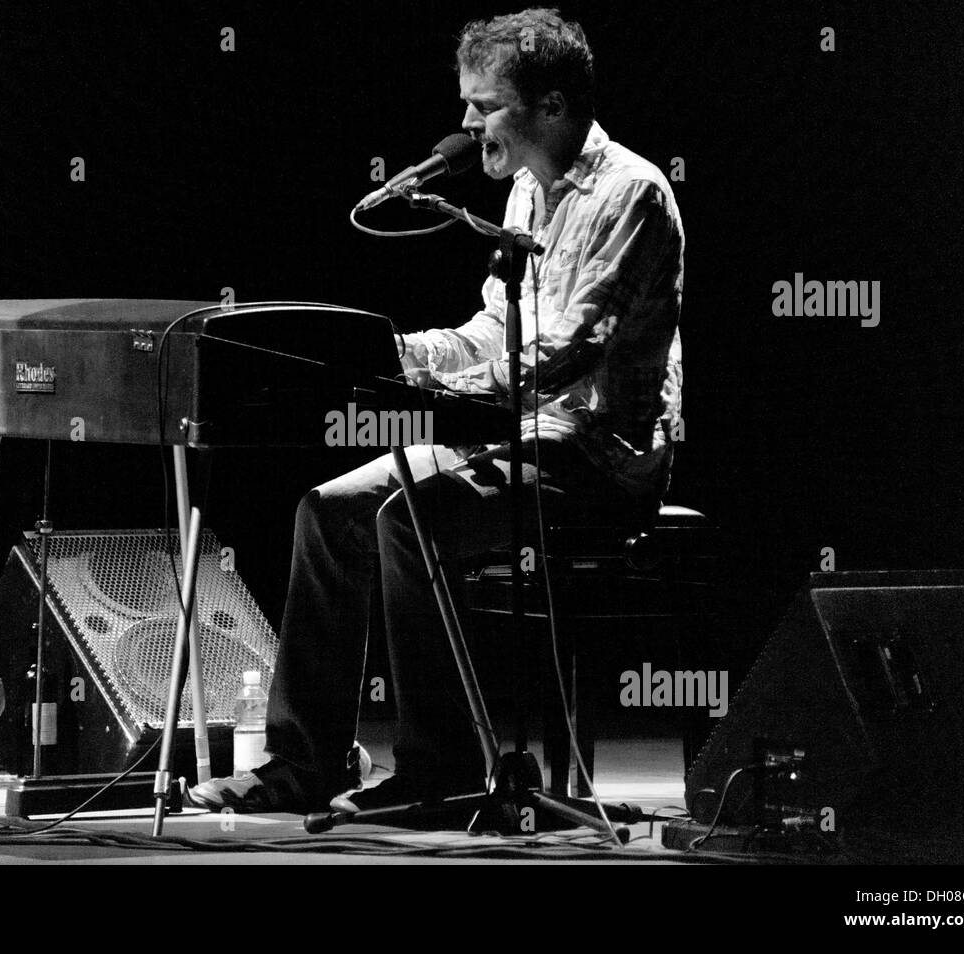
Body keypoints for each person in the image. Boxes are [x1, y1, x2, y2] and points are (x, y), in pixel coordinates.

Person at [189, 7, 684, 814]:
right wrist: (390, 356)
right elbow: (498, 326)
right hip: (526, 438)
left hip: (601, 456)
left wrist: (439, 395)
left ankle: (438, 767)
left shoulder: (632, 195)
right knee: (330, 510)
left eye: (485, 105)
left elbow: (566, 350)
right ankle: (304, 764)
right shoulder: (527, 192)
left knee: (403, 518)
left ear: (551, 106)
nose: (465, 122)